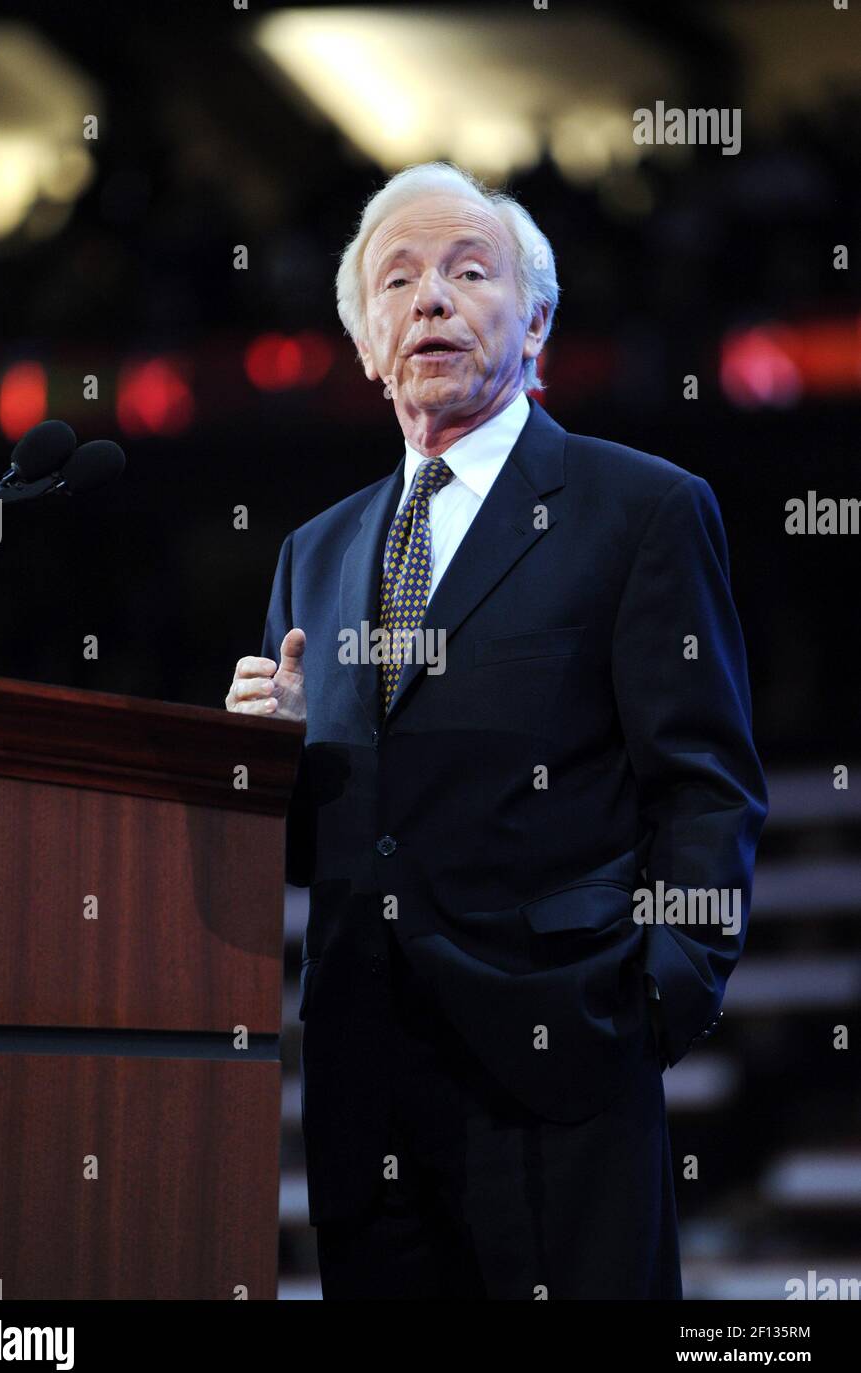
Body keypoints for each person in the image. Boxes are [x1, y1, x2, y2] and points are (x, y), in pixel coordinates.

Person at [225, 161, 768, 1300]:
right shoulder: (310, 554)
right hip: (364, 1075)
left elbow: (705, 785)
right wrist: (263, 765)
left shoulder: (642, 510)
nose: (430, 299)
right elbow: (314, 841)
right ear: (368, 343)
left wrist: (659, 997)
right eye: (398, 281)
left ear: (535, 323)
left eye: (469, 272)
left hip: (562, 1064)